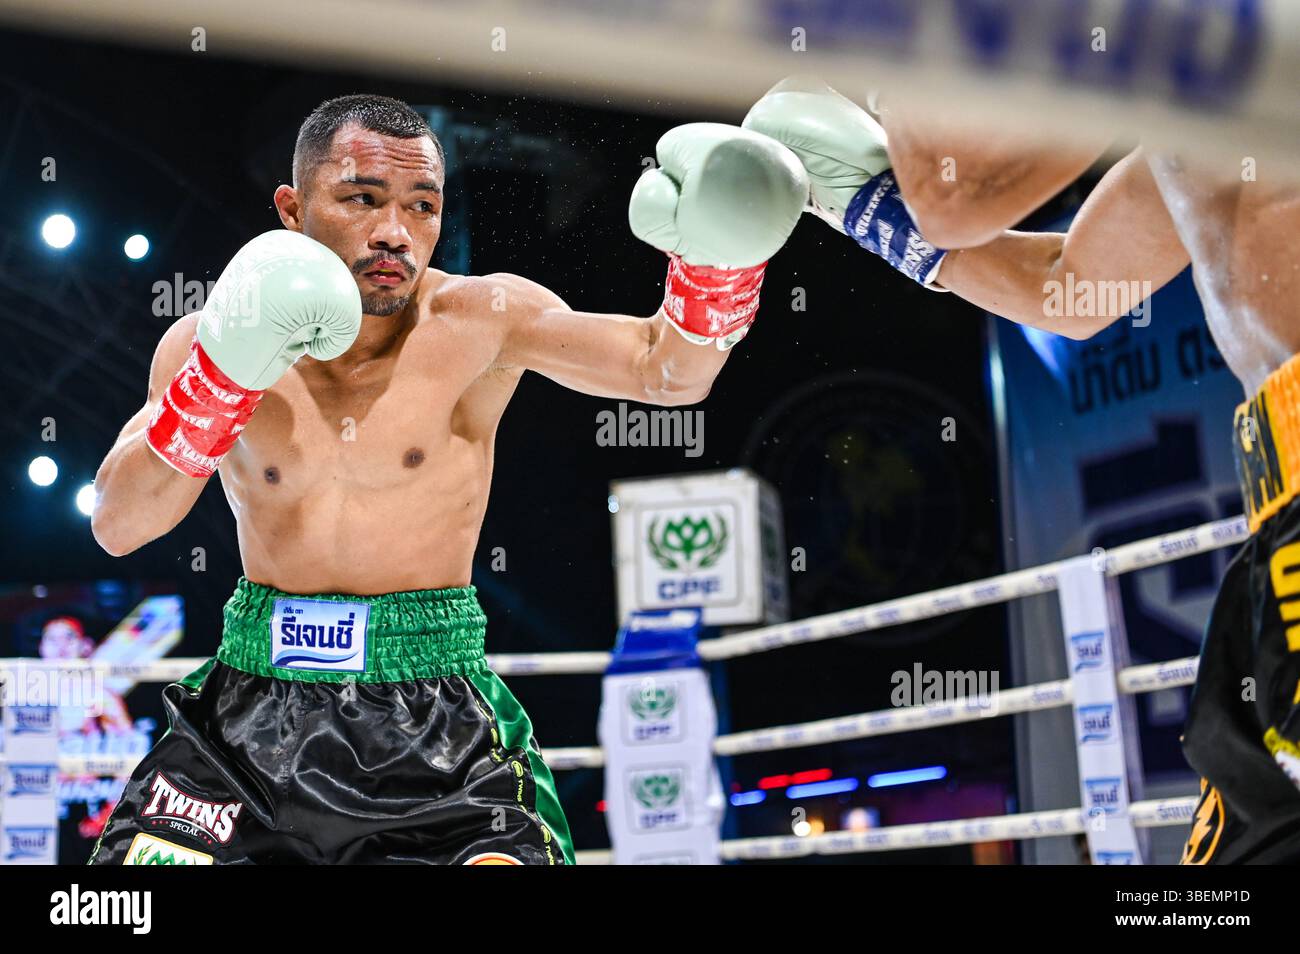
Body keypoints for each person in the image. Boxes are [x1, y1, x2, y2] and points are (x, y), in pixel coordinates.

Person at [86, 95, 808, 865]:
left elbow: (667, 371)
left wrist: (721, 261)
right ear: (292, 209)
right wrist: (219, 385)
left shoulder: (483, 319)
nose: (395, 232)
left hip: (439, 730)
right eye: (362, 198)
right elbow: (120, 525)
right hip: (247, 724)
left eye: (421, 206)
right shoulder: (205, 342)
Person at [742, 76, 1300, 863]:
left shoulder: (1215, 52)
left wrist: (884, 56)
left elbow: (956, 192)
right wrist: (865, 206)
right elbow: (1068, 286)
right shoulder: (1194, 103)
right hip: (1275, 519)